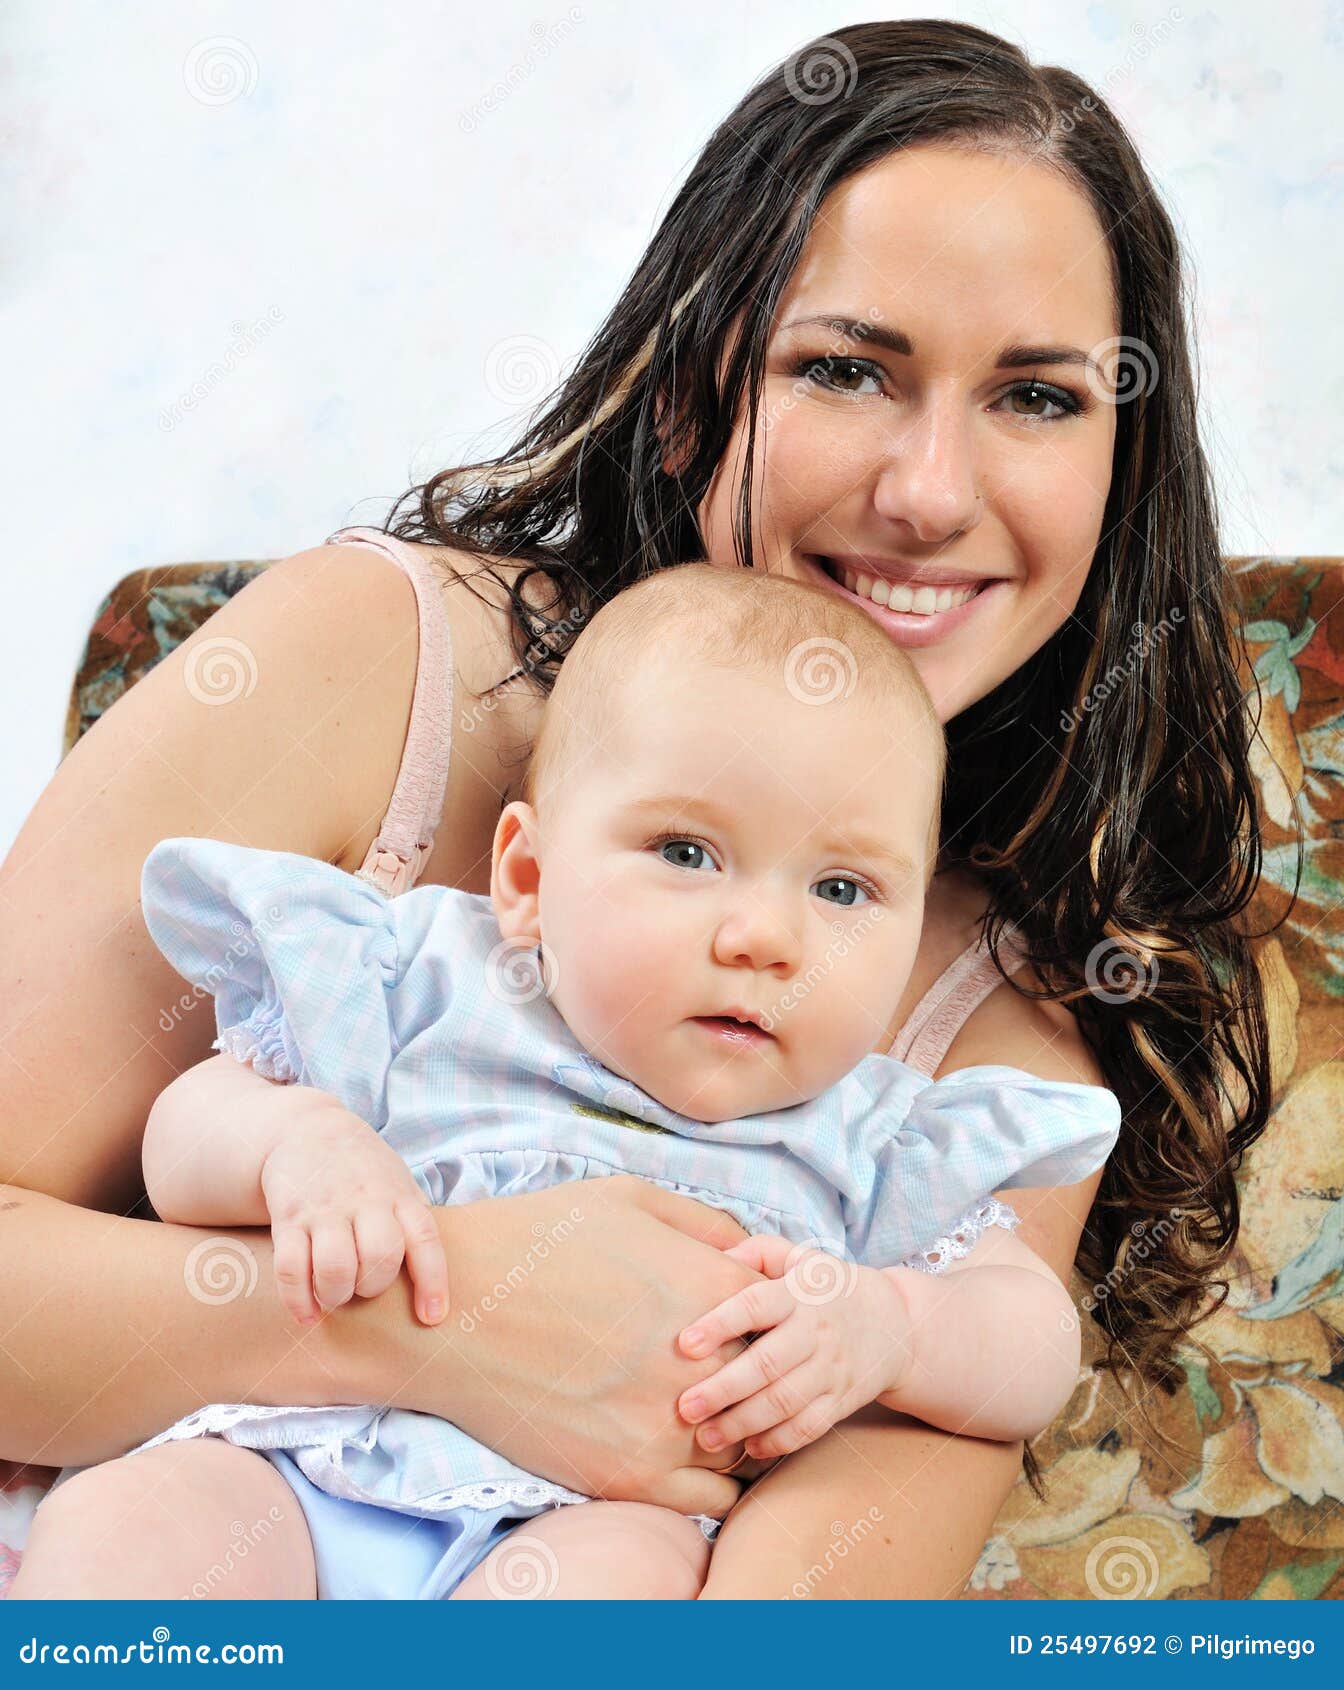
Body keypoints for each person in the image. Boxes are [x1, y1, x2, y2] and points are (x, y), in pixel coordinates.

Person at [0, 20, 1273, 1600]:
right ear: (689, 396)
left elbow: (784, 1622)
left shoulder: (999, 1023)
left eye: (1038, 397)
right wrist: (449, 1311)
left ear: (1121, 460)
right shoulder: (378, 671)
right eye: (846, 366)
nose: (933, 491)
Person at [12, 565, 1121, 1599]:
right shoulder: (429, 982)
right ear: (529, 879)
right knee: (137, 1530)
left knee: (619, 1586)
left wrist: (901, 1327)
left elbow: (1029, 1344)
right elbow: (188, 1129)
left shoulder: (874, 1135)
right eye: (688, 853)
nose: (766, 936)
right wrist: (293, 1140)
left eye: (842, 887)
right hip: (295, 1460)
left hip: (588, 1517)